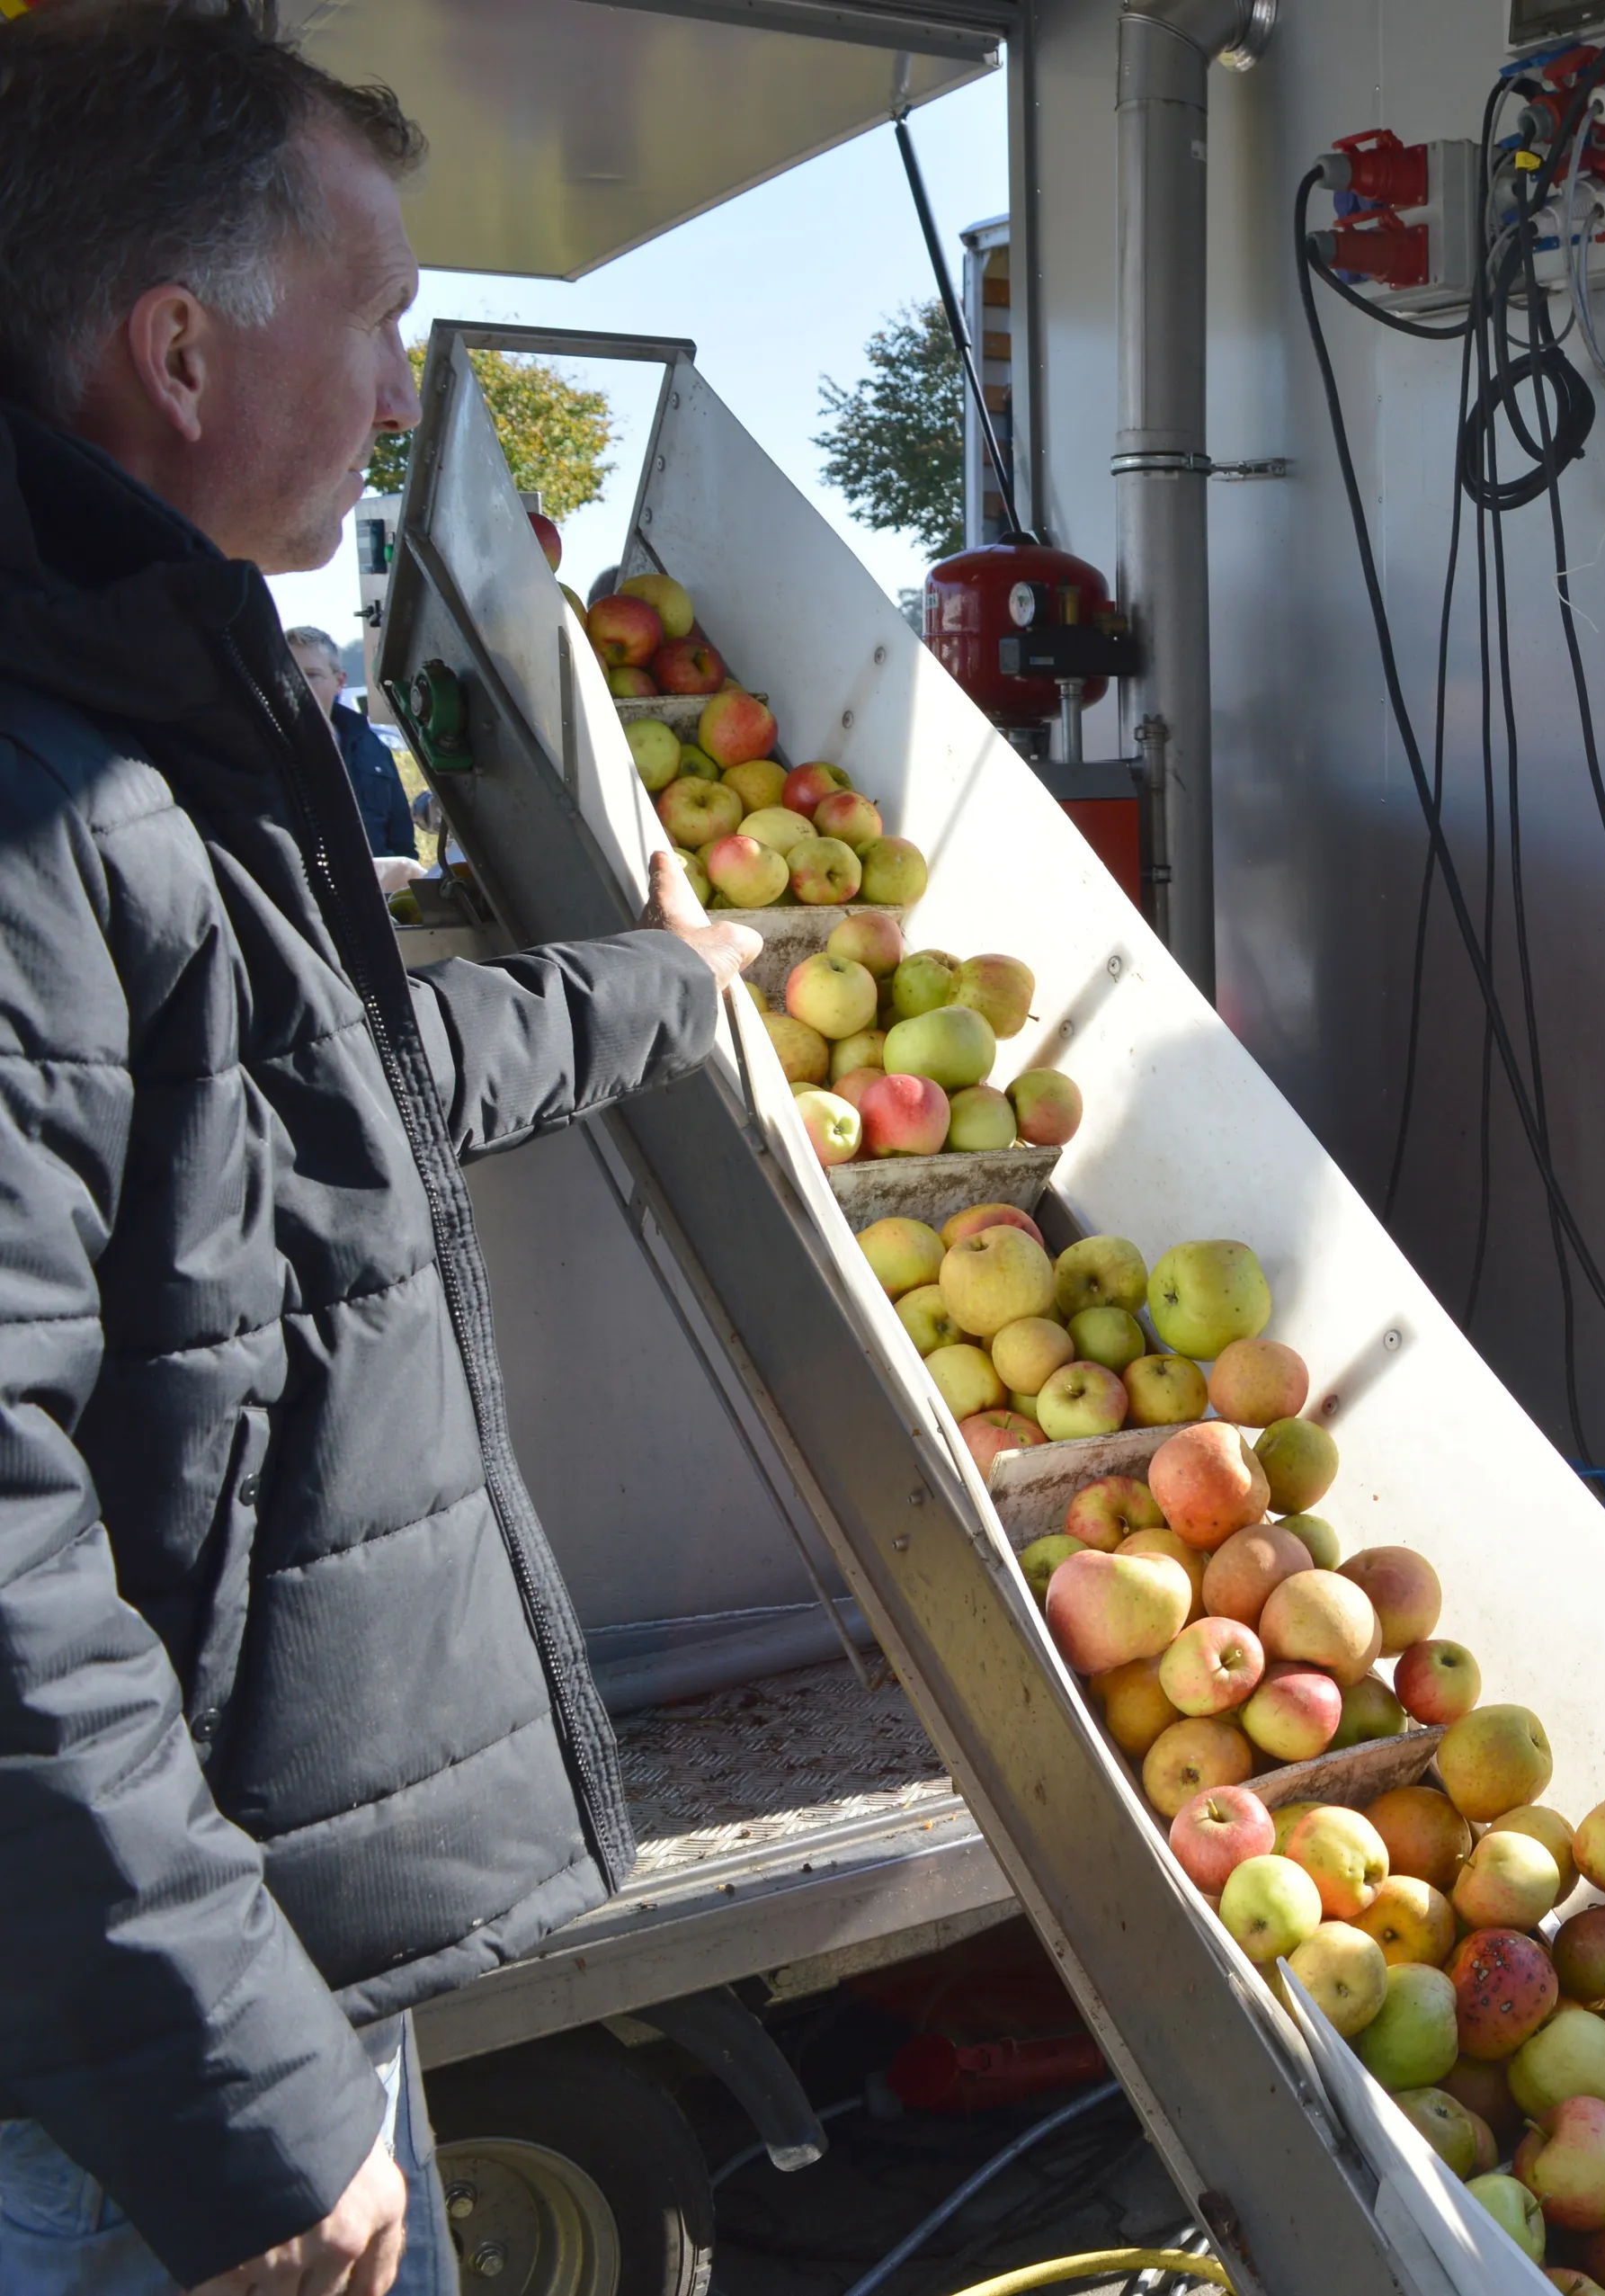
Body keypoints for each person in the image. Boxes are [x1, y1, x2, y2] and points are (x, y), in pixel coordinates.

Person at [0, 14, 761, 2296]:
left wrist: (658, 984)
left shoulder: (155, 724)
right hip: (156, 2072)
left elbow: (327, 1093)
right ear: (181, 350)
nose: (412, 385)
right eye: (386, 316)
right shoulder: (40, 794)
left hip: (260, 1959)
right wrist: (225, 2073)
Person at [285, 621, 423, 863]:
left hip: (378, 893)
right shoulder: (262, 752)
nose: (299, 685)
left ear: (340, 681)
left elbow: (402, 844)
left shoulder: (371, 748)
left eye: (312, 675)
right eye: (289, 675)